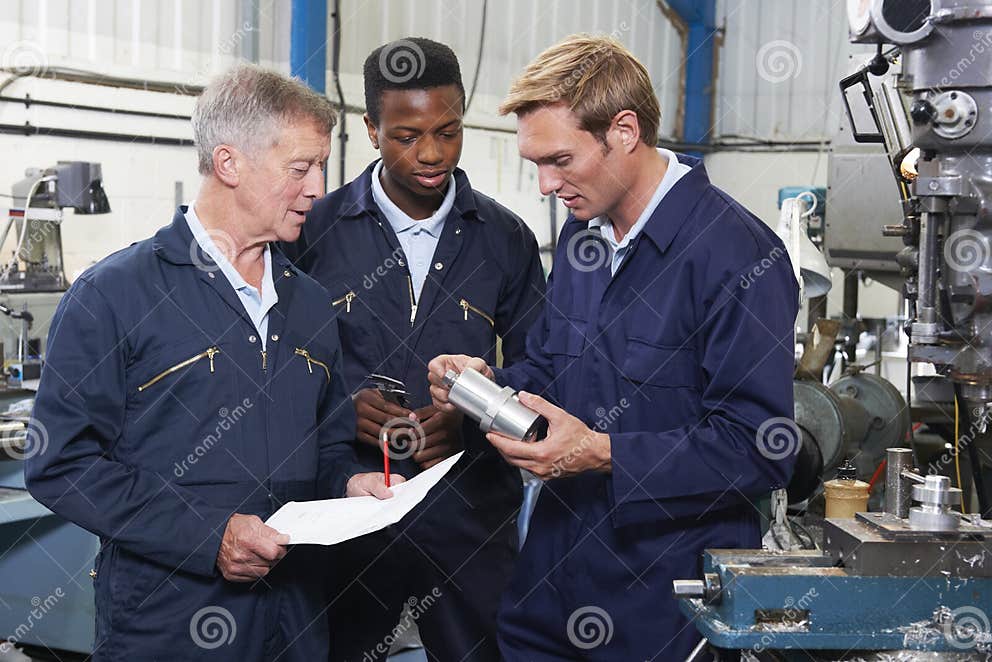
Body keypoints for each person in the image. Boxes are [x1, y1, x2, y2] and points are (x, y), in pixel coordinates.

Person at [428, 35, 799, 660]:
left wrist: (604, 454)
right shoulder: (584, 240)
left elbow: (759, 447)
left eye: (561, 160)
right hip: (549, 587)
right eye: (535, 164)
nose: (545, 186)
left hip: (662, 607)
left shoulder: (735, 254)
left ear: (624, 131)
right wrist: (486, 385)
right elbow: (551, 368)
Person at [24, 63, 397, 661]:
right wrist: (208, 535)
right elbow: (61, 463)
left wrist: (350, 483)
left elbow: (326, 447)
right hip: (167, 624)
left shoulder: (310, 304)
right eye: (300, 168)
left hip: (296, 618)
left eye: (321, 166)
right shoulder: (115, 296)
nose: (318, 188)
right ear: (229, 164)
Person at [283, 37, 545, 662]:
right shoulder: (312, 231)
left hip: (469, 517)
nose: (431, 154)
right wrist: (343, 408)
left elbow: (545, 371)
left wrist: (476, 412)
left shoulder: (506, 240)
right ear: (371, 130)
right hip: (350, 510)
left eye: (448, 132)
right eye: (406, 136)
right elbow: (276, 365)